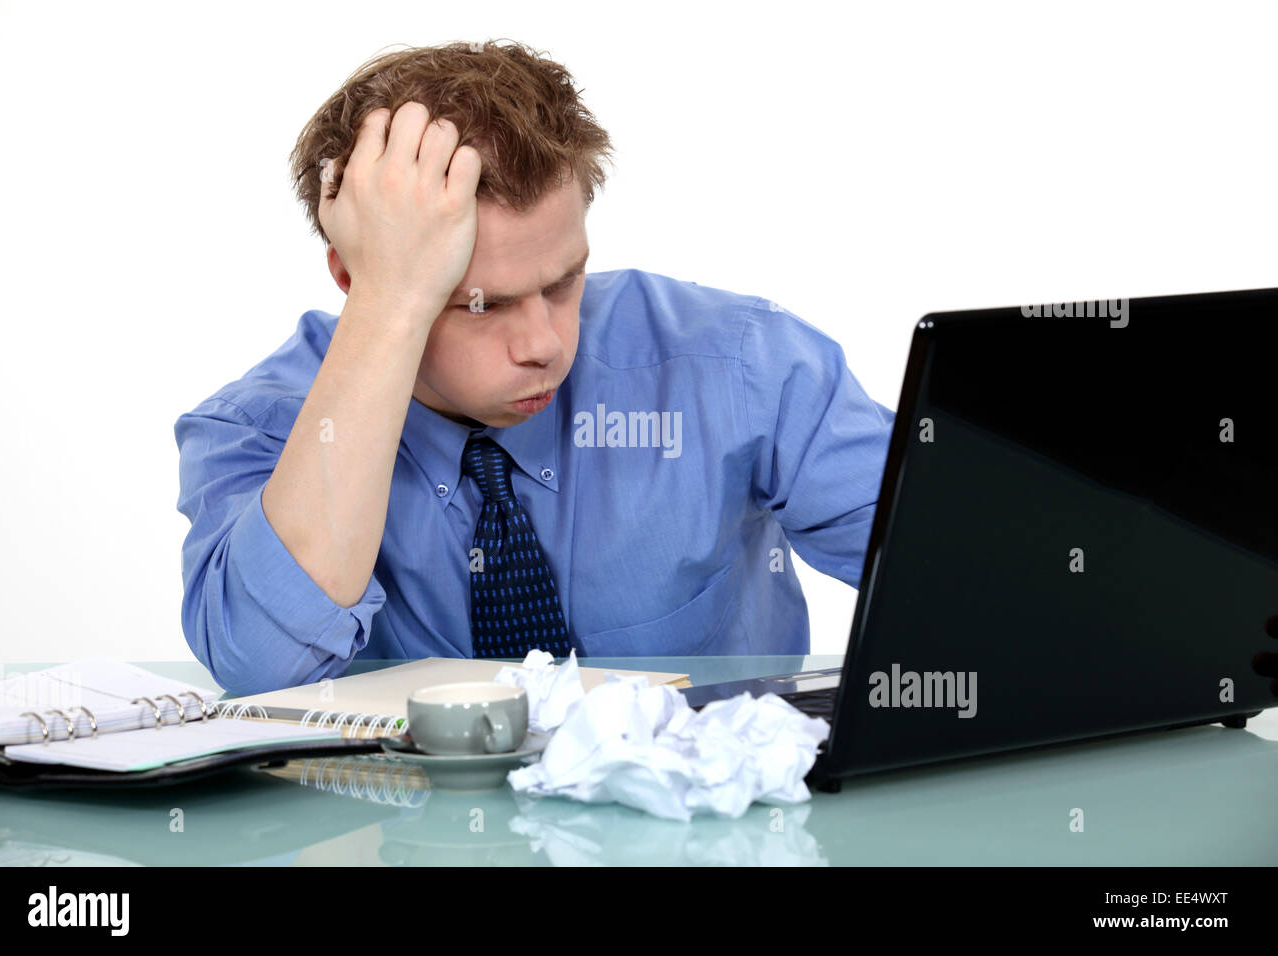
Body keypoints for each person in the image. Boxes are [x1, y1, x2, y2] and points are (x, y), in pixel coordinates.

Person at [175, 39, 896, 695]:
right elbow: (264, 670)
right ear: (357, 277)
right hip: (418, 837)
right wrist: (390, 302)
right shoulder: (260, 430)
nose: (544, 343)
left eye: (563, 283)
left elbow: (967, 575)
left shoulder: (736, 366)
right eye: (483, 305)